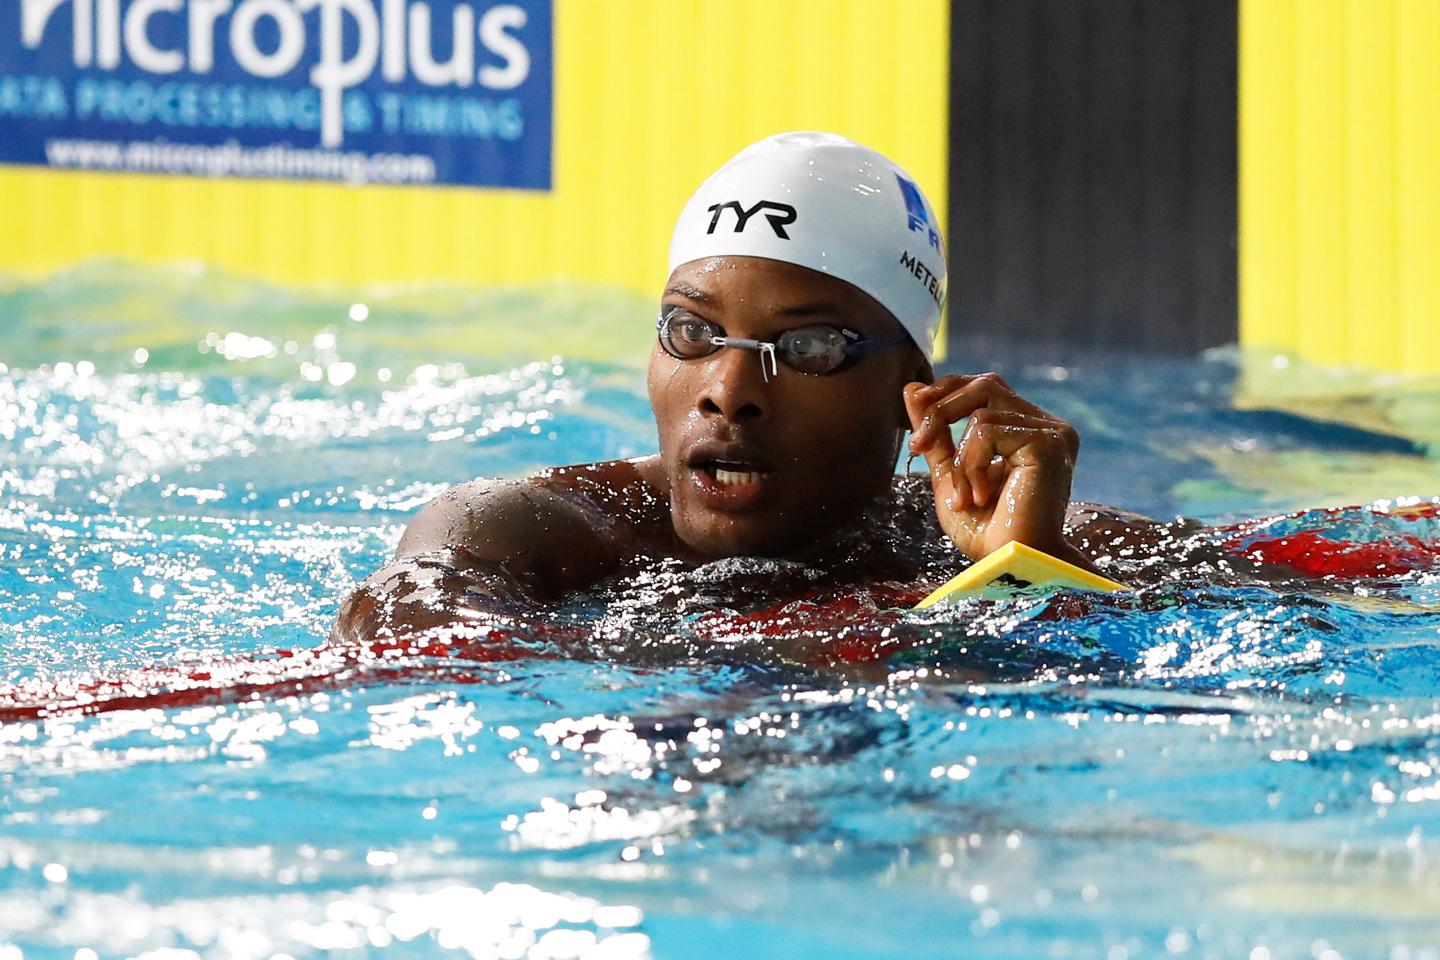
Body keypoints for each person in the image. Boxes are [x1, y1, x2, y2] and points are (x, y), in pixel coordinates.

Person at [334, 132, 1167, 646]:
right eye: (692, 332)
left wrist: (1028, 570)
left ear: (910, 395)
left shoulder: (999, 535)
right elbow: (415, 650)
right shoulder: (529, 531)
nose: (728, 391)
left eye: (807, 347)